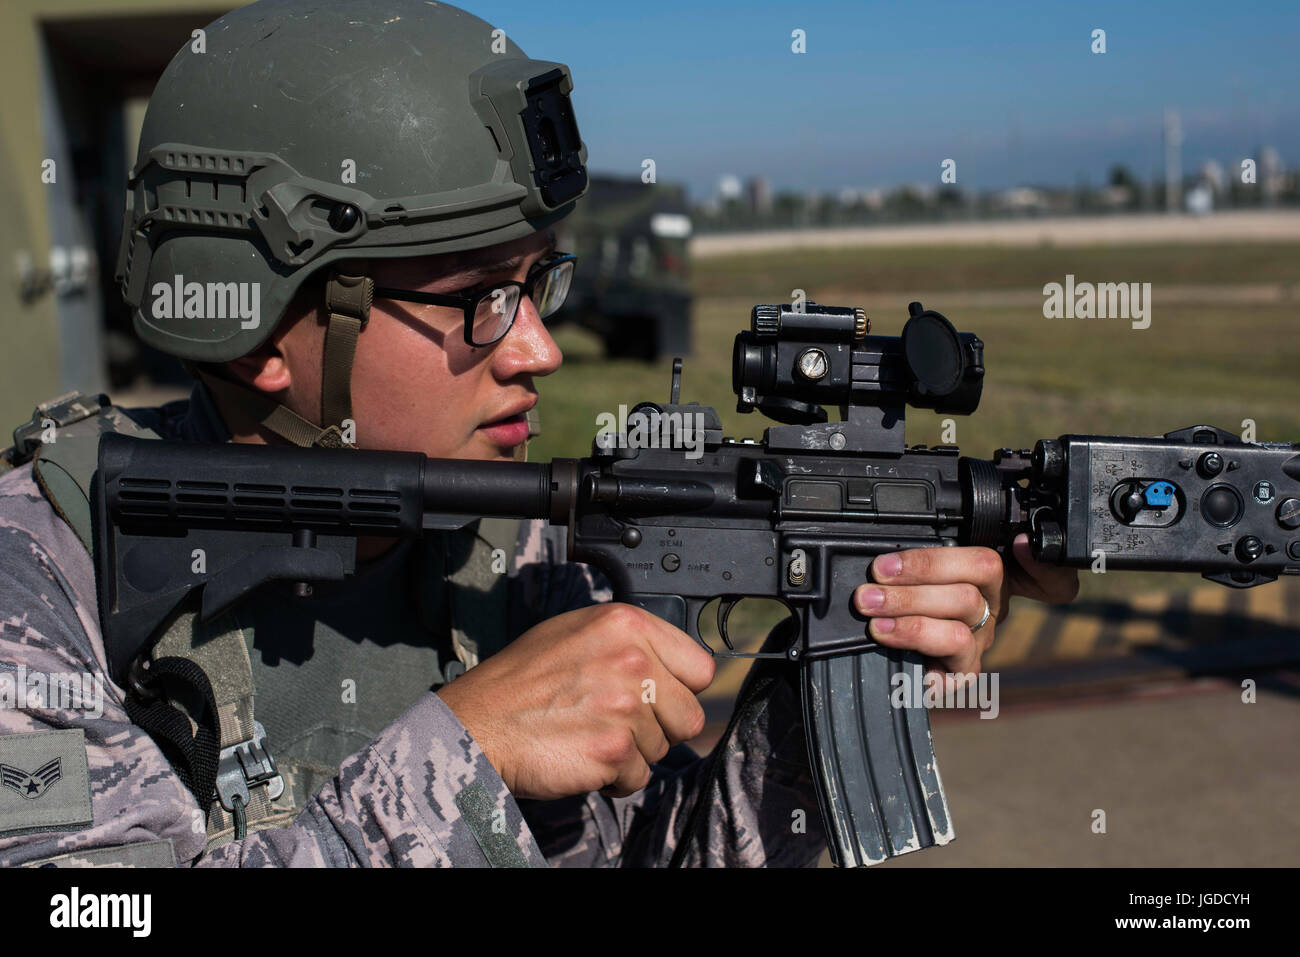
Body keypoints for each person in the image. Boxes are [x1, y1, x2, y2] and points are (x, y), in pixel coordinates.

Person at [0, 0, 1077, 868]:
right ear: (263, 336)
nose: (537, 351)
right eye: (477, 298)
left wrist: (823, 688)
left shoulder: (518, 550)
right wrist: (461, 758)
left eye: (537, 284)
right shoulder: (41, 586)